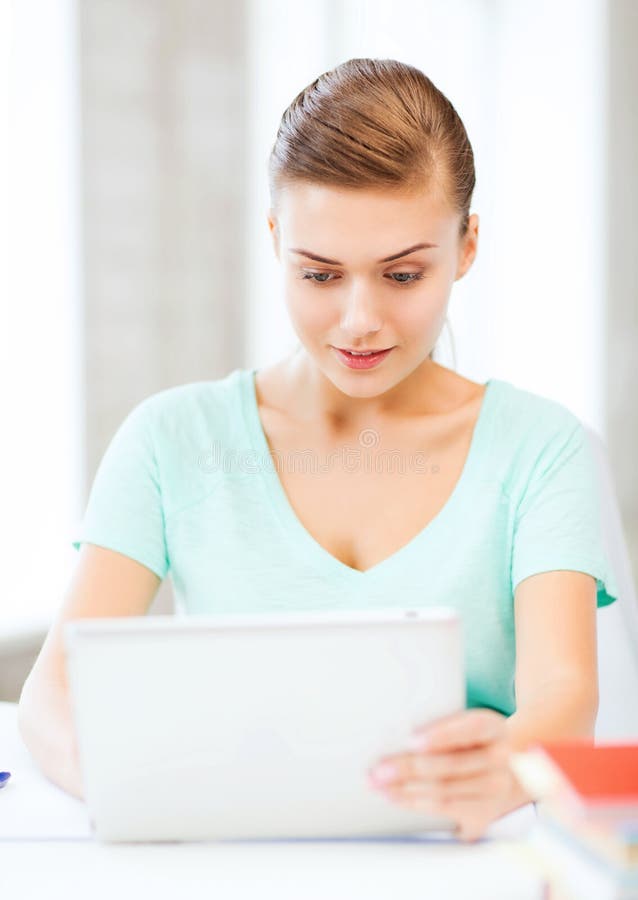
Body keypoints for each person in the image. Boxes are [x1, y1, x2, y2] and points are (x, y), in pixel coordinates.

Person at [18, 57, 618, 842]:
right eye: (321, 275)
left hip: (461, 860)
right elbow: (52, 697)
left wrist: (505, 766)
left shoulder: (541, 449)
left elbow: (564, 698)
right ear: (277, 241)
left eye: (402, 274)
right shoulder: (172, 442)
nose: (359, 320)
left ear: (467, 245)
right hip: (225, 858)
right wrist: (135, 788)